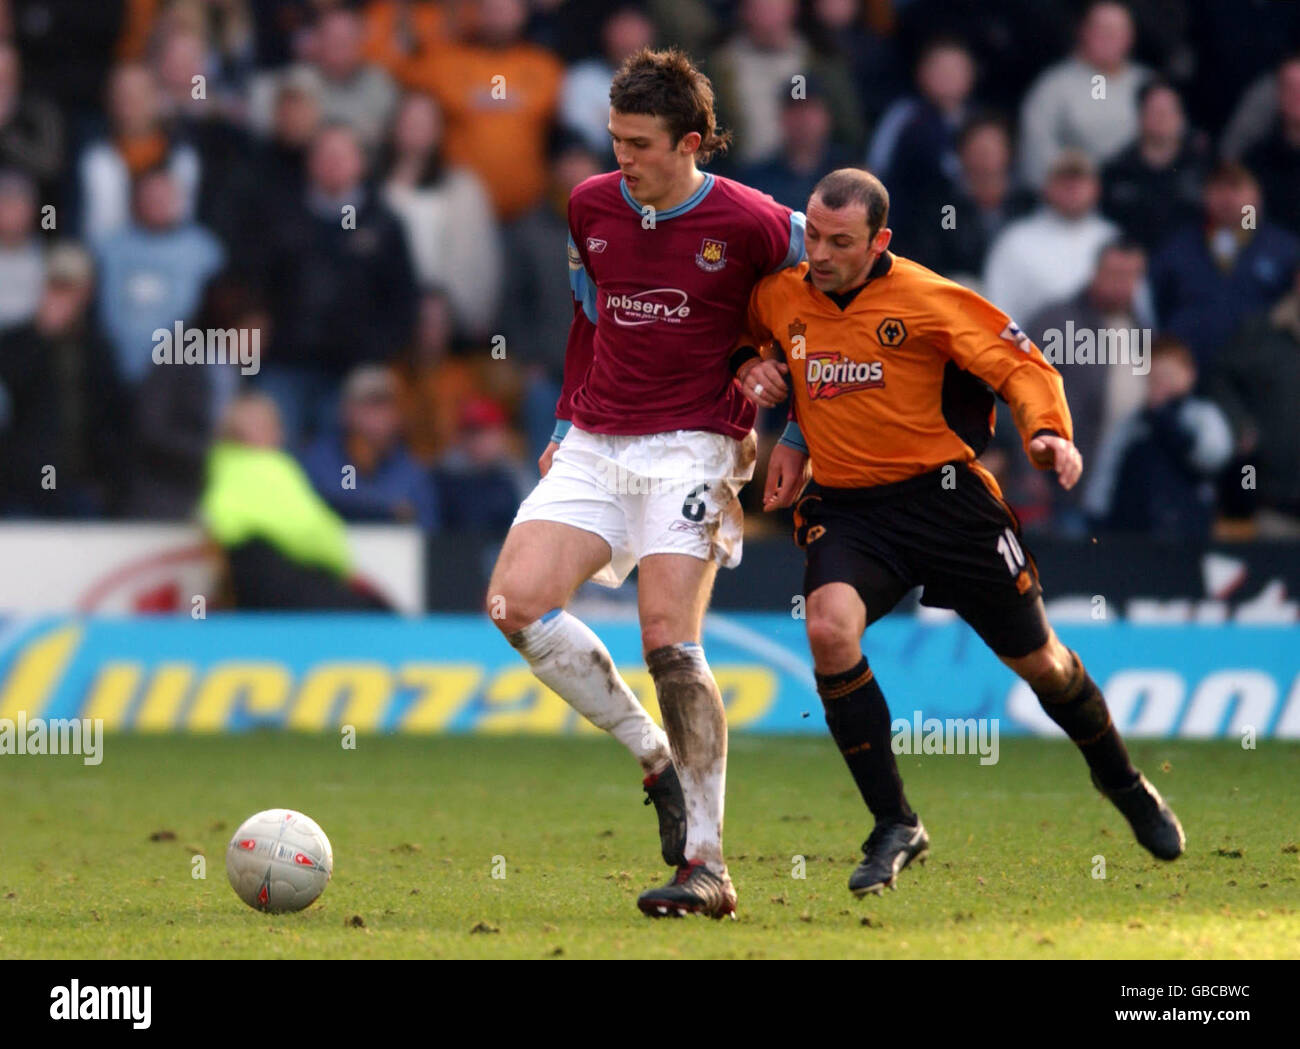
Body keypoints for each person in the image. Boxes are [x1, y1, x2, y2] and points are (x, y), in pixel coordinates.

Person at [742, 168, 1183, 897]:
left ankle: (1123, 780)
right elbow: (748, 336)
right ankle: (895, 822)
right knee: (827, 629)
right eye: (812, 234)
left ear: (879, 241)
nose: (817, 253)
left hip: (948, 505)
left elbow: (1021, 365)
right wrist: (759, 374)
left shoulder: (927, 298)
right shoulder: (781, 292)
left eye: (838, 241)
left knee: (1042, 662)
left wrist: (1048, 436)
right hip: (851, 509)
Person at [485, 47, 805, 919]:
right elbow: (589, 320)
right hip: (595, 440)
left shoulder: (757, 221)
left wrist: (788, 394)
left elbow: (831, 298)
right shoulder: (589, 205)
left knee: (669, 639)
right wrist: (560, 426)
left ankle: (708, 864)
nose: (619, 158)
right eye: (614, 139)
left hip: (696, 446)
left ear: (690, 142)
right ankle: (653, 755)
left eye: (637, 143)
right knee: (514, 604)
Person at [1083, 336, 1231, 539]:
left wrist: (1168, 424)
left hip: (1187, 530)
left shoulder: (1200, 416)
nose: (1161, 383)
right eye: (1154, 377)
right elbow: (1106, 470)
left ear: (1189, 375)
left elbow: (1213, 456)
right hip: (1134, 532)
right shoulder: (1132, 425)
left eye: (1168, 375)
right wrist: (1097, 514)